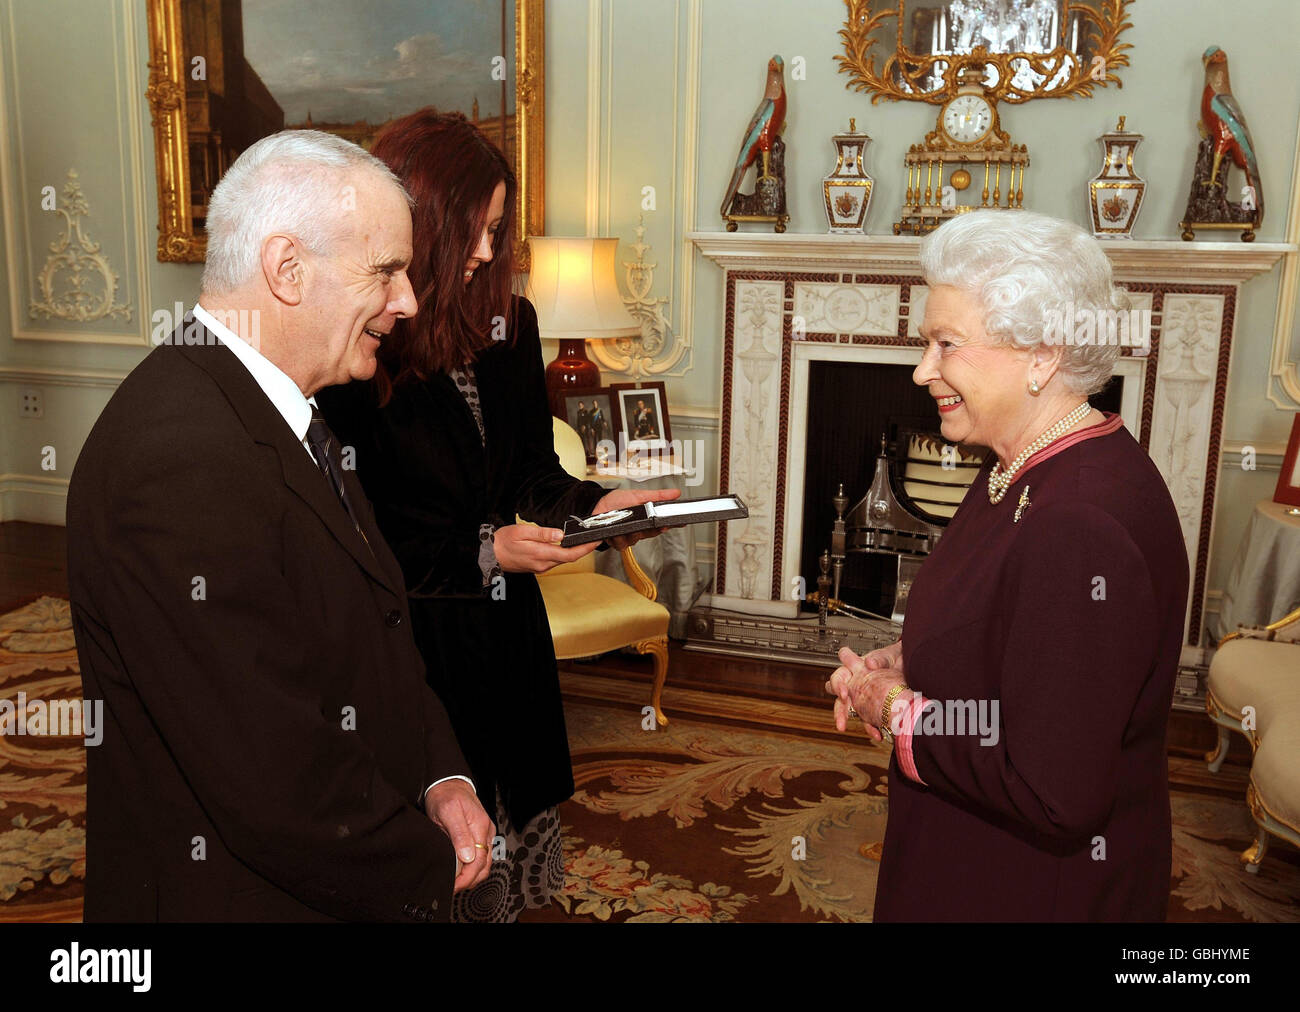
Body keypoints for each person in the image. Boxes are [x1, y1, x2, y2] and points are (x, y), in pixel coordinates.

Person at [66, 130, 495, 922]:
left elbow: (374, 626)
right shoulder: (179, 460)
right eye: (385, 271)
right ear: (286, 269)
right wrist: (427, 870)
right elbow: (271, 780)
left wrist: (441, 775)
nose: (406, 300)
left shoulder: (272, 403)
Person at [317, 109, 677, 922]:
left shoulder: (510, 326)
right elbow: (355, 539)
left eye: (497, 228)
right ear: (418, 224)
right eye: (474, 230)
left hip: (506, 635)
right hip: (412, 644)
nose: (487, 250)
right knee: (436, 857)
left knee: (507, 856)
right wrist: (484, 551)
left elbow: (532, 475)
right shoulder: (355, 350)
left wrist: (601, 506)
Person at [826, 209, 1188, 921]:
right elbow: (1012, 628)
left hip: (1027, 889)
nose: (922, 368)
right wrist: (909, 659)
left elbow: (1052, 791)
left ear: (1042, 355)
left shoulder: (1079, 520)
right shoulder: (1023, 464)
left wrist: (892, 709)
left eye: (946, 344)